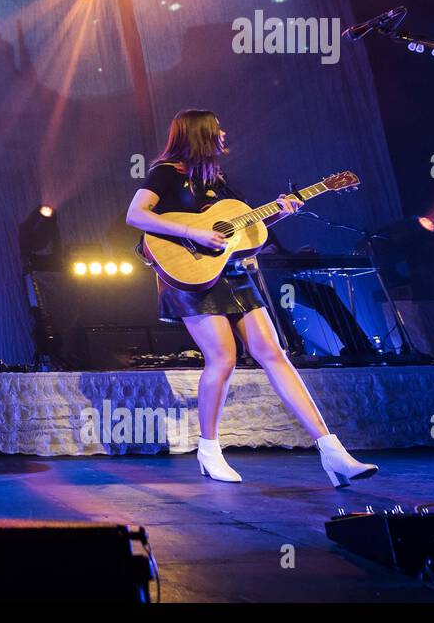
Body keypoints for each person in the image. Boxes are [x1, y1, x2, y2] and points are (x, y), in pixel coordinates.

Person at [125, 109, 377, 487]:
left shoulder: (219, 180)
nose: (224, 132)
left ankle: (332, 451)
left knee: (274, 353)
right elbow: (135, 215)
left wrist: (281, 212)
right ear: (201, 134)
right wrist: (192, 233)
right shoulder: (166, 172)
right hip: (188, 274)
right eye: (217, 128)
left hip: (232, 272)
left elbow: (243, 232)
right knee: (223, 357)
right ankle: (209, 451)